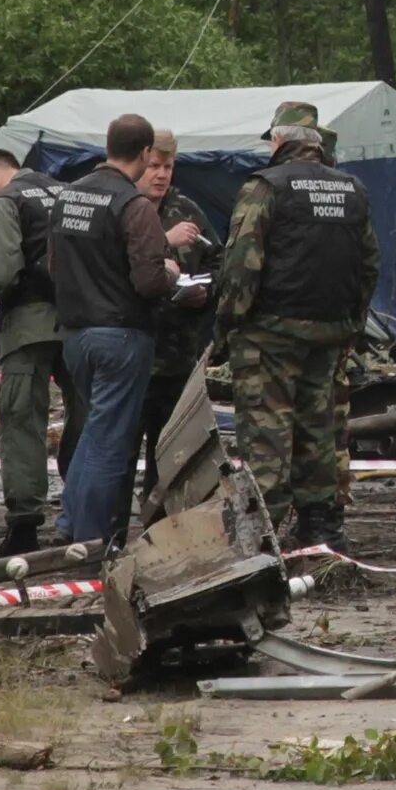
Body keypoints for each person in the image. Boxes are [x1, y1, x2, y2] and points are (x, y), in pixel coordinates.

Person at [218, 102, 381, 554]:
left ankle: (260, 539)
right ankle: (320, 528)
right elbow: (369, 266)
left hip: (269, 334)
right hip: (330, 333)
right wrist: (352, 325)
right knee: (319, 431)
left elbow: (241, 264)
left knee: (267, 434)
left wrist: (229, 323)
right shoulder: (353, 190)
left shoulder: (265, 187)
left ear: (279, 140)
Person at [50, 113, 176, 551]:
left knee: (93, 430)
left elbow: (54, 266)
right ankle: (90, 540)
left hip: (73, 335)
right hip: (121, 336)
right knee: (110, 443)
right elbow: (148, 281)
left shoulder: (67, 198)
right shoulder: (133, 205)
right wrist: (173, 275)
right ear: (144, 154)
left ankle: (71, 523)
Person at [0, 144, 83, 556]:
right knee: (86, 416)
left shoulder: (5, 200)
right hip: (77, 323)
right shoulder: (66, 191)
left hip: (27, 326)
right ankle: (83, 508)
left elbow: (1, 273)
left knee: (23, 423)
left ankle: (24, 525)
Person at [133, 129, 220, 524]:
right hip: (133, 349)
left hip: (178, 351)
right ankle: (111, 524)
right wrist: (164, 242)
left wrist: (207, 291)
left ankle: (162, 519)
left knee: (168, 447)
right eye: (154, 166)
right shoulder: (126, 207)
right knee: (121, 443)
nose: (161, 175)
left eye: (168, 167)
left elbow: (219, 262)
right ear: (139, 162)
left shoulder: (187, 210)